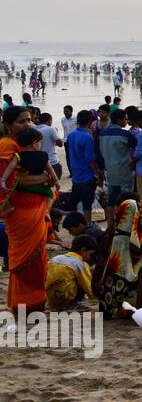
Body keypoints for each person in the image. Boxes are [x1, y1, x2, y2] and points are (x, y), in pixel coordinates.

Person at [0, 107, 56, 311]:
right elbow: (10, 181)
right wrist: (43, 178)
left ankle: (34, 302)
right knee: (25, 259)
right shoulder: (7, 146)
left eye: (29, 120)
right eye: (21, 121)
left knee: (38, 258)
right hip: (20, 211)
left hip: (36, 207)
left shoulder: (27, 144)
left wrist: (44, 179)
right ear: (8, 125)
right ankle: (25, 303)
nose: (27, 125)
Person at [45, 234, 98, 312]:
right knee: (83, 278)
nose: (90, 257)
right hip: (64, 298)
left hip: (49, 298)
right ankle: (72, 305)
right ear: (83, 250)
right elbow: (89, 288)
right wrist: (97, 298)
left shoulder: (55, 258)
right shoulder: (81, 264)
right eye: (91, 254)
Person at [63, 109, 98, 217]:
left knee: (74, 202)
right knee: (87, 204)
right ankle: (88, 223)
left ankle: (73, 221)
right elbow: (89, 159)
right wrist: (96, 173)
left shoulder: (71, 135)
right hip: (86, 175)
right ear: (90, 122)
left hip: (76, 174)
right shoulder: (88, 137)